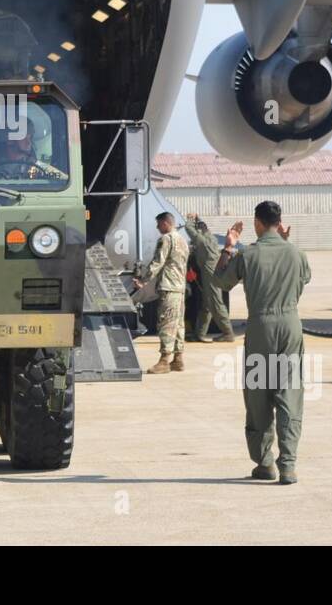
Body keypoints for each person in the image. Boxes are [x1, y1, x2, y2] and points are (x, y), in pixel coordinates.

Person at [210, 201, 310, 485]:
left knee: (258, 396)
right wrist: (286, 245)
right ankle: (288, 465)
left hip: (260, 327)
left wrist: (229, 247)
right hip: (291, 326)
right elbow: (303, 279)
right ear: (280, 223)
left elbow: (221, 281)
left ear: (257, 223)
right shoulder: (296, 253)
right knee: (289, 394)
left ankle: (265, 462)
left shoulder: (248, 254)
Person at [132, 211, 190, 374]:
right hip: (179, 288)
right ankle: (178, 359)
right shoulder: (182, 240)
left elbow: (158, 262)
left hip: (168, 287)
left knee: (166, 323)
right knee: (178, 324)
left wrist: (143, 280)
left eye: (158, 224)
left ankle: (164, 360)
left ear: (165, 223)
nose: (157, 228)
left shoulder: (166, 239)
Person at [184, 216, 236, 343]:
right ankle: (199, 333)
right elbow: (203, 230)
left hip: (211, 276)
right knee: (206, 306)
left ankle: (228, 333)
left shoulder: (202, 241)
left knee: (216, 304)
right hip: (213, 274)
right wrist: (199, 221)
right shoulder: (211, 238)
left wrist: (190, 219)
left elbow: (188, 228)